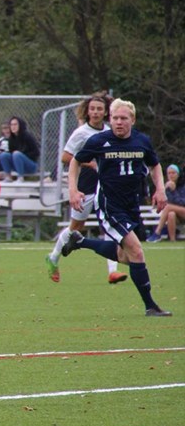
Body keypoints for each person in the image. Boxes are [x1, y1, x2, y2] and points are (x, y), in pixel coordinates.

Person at [62, 99, 172, 317]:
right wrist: (73, 190)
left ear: (132, 119)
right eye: (114, 118)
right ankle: (150, 306)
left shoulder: (142, 141)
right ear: (109, 119)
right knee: (137, 251)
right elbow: (74, 161)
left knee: (125, 256)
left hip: (131, 205)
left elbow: (155, 165)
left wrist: (160, 190)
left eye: (123, 118)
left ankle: (80, 241)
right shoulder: (99, 140)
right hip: (108, 206)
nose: (119, 122)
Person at [46, 92, 124, 283]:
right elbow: (65, 157)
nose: (96, 112)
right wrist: (90, 163)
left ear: (106, 111)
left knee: (108, 226)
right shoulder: (81, 133)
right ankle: (53, 257)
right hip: (85, 187)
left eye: (99, 109)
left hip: (105, 187)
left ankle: (112, 271)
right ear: (87, 112)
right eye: (93, 109)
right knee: (76, 227)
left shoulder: (110, 130)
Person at [148, 164, 184, 242]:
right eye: (169, 173)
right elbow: (166, 201)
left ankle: (157, 233)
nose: (171, 175)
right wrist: (165, 190)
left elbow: (182, 202)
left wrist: (174, 191)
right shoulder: (167, 186)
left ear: (178, 174)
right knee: (171, 214)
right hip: (177, 214)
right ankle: (172, 240)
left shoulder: (183, 186)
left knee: (168, 207)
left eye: (173, 173)